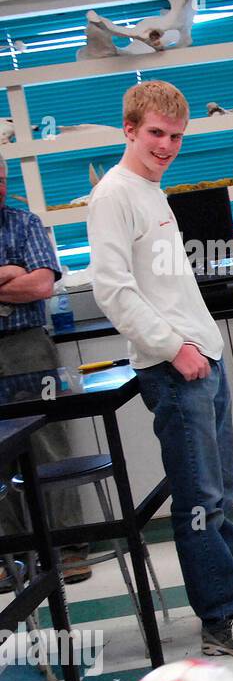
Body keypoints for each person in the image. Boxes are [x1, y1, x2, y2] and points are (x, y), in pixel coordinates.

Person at [87, 81, 233, 656]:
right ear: (129, 130)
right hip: (173, 367)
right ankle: (220, 619)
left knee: (221, 490)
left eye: (176, 136)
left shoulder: (153, 190)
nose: (167, 145)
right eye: (156, 133)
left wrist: (200, 345)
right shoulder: (114, 196)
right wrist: (173, 346)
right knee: (198, 499)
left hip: (203, 357)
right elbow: (112, 289)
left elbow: (168, 285)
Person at [0, 155, 92, 587]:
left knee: (49, 448)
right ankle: (12, 555)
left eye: (1, 179)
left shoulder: (25, 224)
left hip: (29, 349)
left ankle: (71, 546)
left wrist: (22, 281)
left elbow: (40, 285)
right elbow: (25, 280)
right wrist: (8, 274)